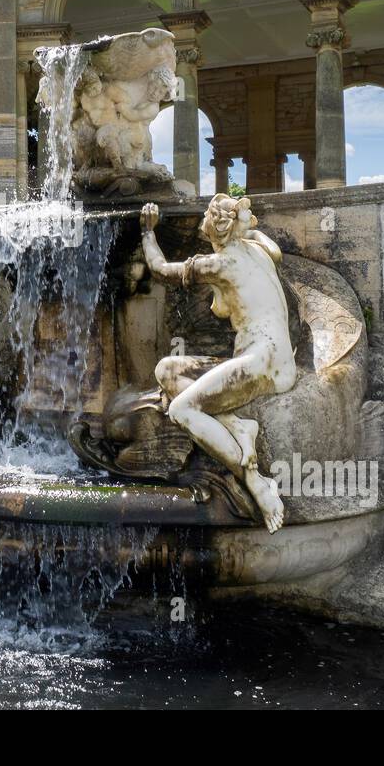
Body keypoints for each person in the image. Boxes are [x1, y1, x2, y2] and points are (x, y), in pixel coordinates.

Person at [139, 194, 296, 532]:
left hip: (261, 362)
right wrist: (248, 229)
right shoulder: (260, 249)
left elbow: (161, 270)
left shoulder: (220, 264)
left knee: (181, 410)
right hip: (271, 357)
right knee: (166, 369)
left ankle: (255, 479)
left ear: (213, 228)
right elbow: (274, 248)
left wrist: (148, 232)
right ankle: (239, 426)